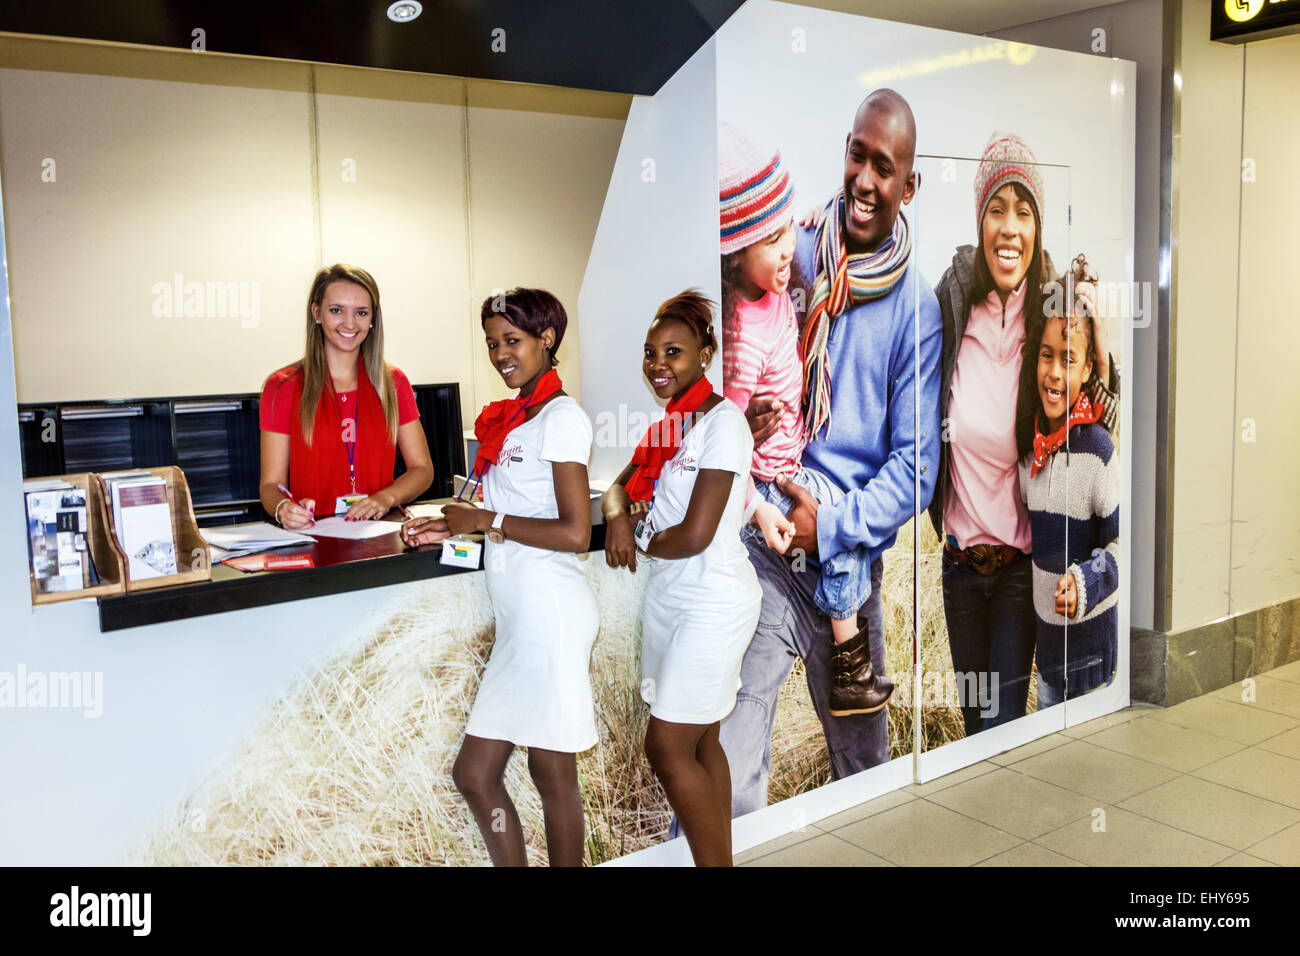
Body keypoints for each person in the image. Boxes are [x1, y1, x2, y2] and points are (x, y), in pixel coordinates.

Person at [719, 89, 942, 816]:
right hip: (767, 552)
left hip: (849, 563)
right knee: (731, 757)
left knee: (866, 777)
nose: (865, 180)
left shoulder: (916, 310)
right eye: (857, 155)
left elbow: (916, 472)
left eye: (885, 167)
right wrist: (734, 426)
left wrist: (835, 525)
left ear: (909, 186)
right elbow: (730, 292)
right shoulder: (799, 248)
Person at [401, 288, 599, 867]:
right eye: (492, 343)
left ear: (548, 340)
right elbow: (501, 519)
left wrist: (486, 519)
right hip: (524, 620)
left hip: (553, 613)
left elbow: (572, 531)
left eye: (512, 341)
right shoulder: (516, 418)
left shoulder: (562, 419)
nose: (500, 354)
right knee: (477, 774)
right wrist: (450, 527)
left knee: (551, 769)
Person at [929, 133, 1120, 735]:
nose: (1009, 227)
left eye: (1024, 211)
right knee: (971, 728)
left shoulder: (1050, 309)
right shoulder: (953, 301)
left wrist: (1104, 346)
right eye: (996, 209)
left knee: (1003, 730)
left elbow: (1095, 409)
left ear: (1038, 226)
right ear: (979, 220)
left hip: (1017, 571)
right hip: (959, 568)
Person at [717, 122, 892, 716]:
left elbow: (807, 237)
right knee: (837, 529)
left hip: (786, 463)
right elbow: (726, 440)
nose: (787, 247)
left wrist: (812, 220)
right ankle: (850, 665)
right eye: (769, 239)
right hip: (768, 478)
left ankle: (848, 663)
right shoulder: (742, 334)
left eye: (787, 227)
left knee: (838, 529)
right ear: (736, 253)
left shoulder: (782, 282)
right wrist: (759, 506)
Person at [602, 290, 760, 866]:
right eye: (650, 353)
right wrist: (620, 514)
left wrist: (635, 533)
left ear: (705, 354)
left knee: (666, 747)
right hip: (671, 601)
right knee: (703, 740)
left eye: (674, 351)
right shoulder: (668, 430)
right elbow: (617, 489)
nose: (658, 364)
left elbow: (694, 534)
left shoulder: (724, 424)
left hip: (714, 603)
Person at [1018, 254, 1120, 707]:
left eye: (1068, 359)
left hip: (1093, 665)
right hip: (1049, 666)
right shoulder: (1032, 452)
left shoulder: (1098, 451)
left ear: (1086, 370)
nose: (1055, 372)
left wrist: (1086, 582)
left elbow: (1121, 547)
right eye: (1047, 356)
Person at [259, 264, 433, 528]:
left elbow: (422, 470)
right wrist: (283, 508)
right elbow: (271, 485)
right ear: (316, 312)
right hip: (313, 537)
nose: (350, 324)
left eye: (361, 312)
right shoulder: (282, 387)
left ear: (373, 318)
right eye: (336, 310)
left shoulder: (393, 383)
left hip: (379, 537)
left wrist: (384, 498)